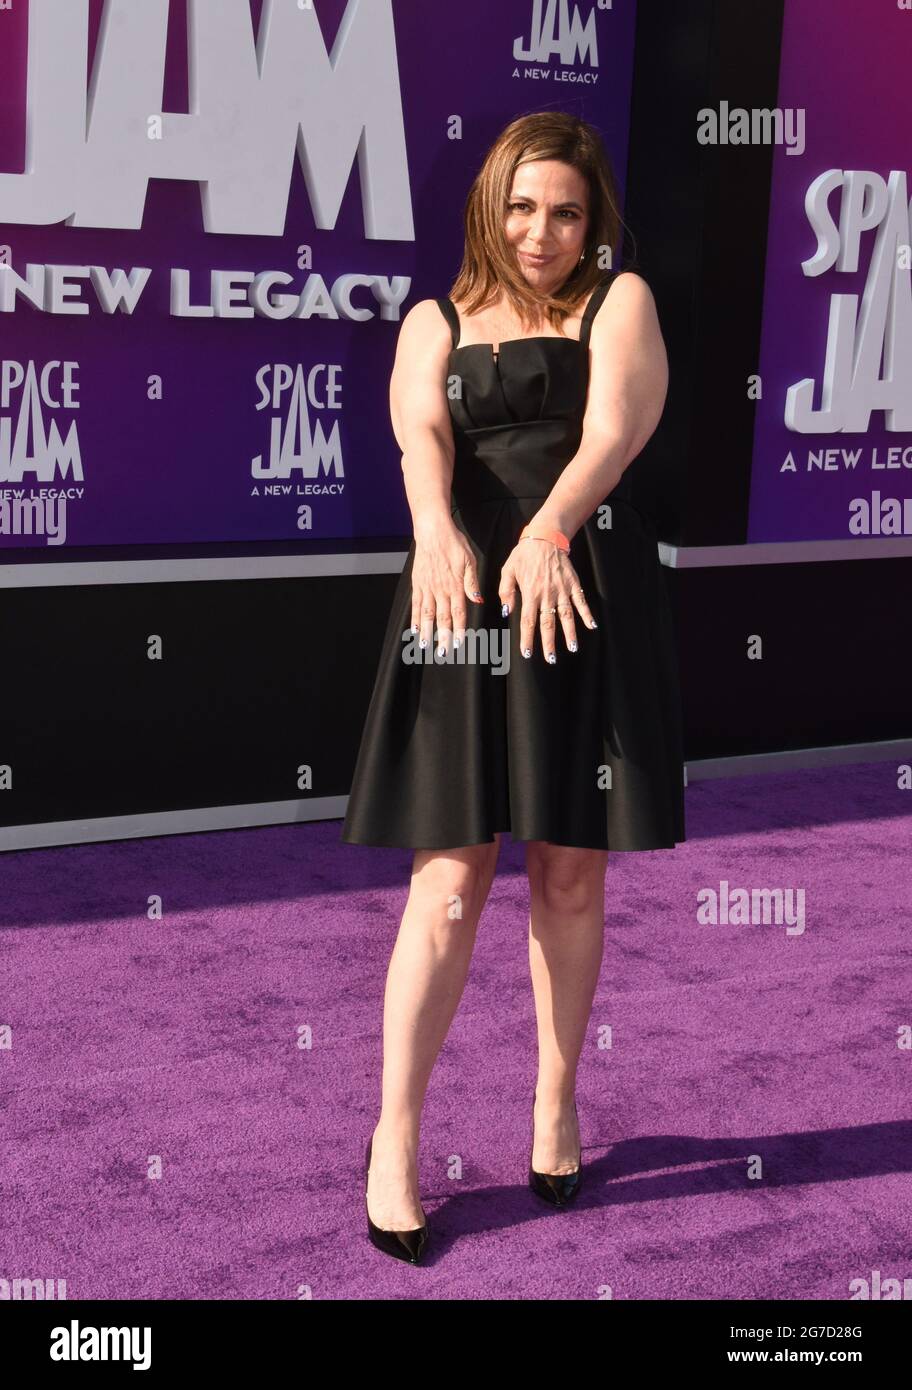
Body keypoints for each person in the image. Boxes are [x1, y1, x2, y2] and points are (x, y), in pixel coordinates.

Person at [341, 110, 686, 1264]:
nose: (542, 232)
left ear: (594, 221)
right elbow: (419, 434)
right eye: (523, 206)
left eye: (567, 211)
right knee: (448, 875)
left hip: (574, 582)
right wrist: (436, 530)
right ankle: (395, 1141)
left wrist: (548, 529)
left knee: (570, 869)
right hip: (458, 595)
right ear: (492, 204)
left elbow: (615, 431)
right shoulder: (434, 317)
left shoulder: (616, 302)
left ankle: (554, 1099)